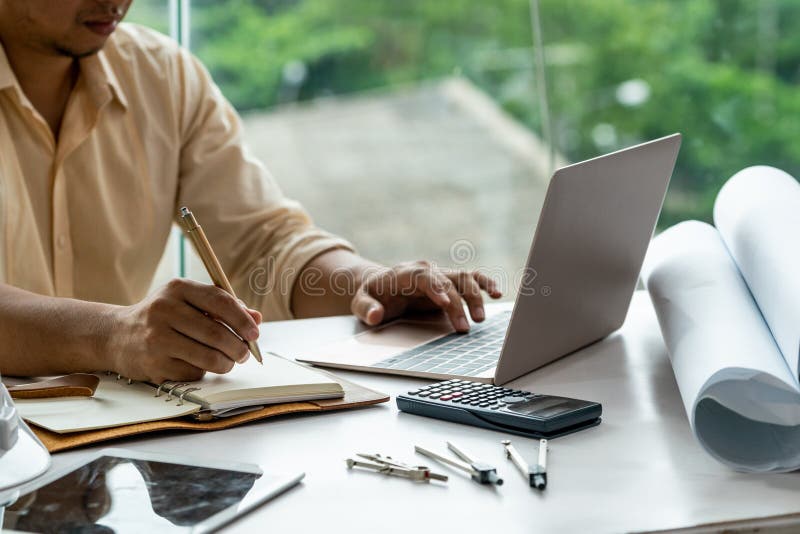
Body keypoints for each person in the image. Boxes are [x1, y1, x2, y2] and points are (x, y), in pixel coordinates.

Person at [0, 0, 501, 384]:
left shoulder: (164, 78)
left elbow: (265, 243)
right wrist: (113, 335)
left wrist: (367, 284)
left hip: (109, 446)